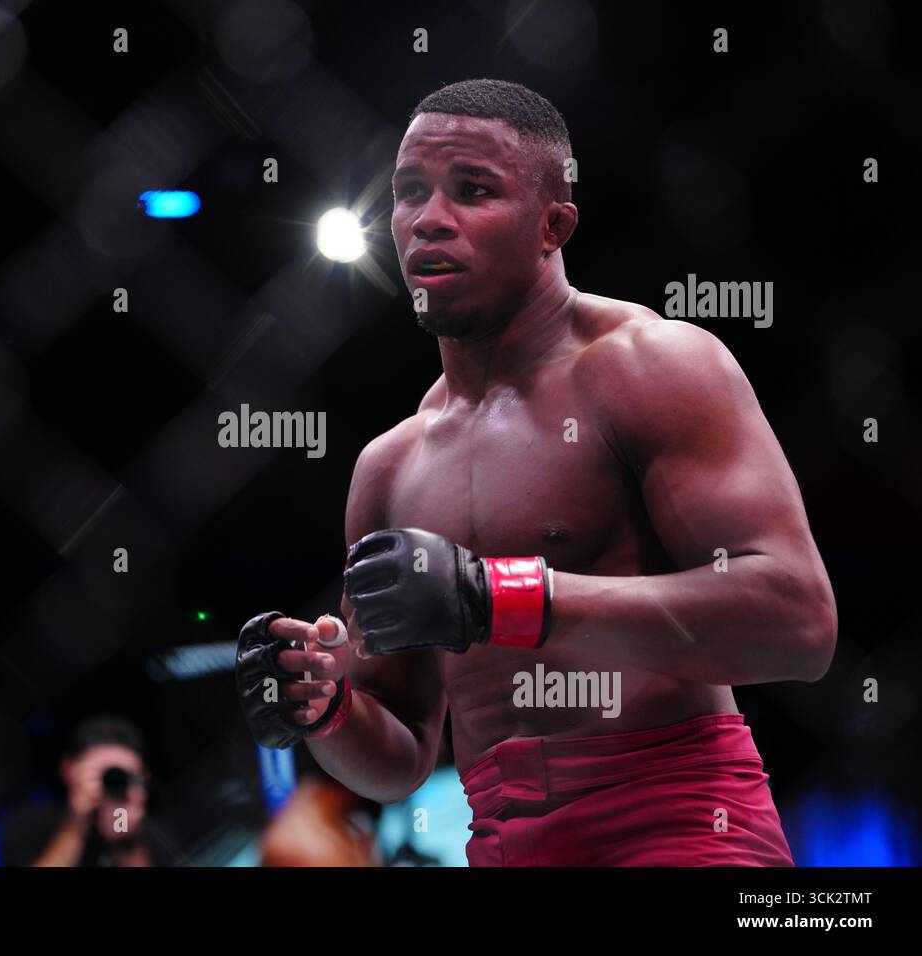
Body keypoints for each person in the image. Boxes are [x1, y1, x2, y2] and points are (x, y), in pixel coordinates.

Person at [236, 79, 837, 866]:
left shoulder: (650, 365)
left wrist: (501, 597)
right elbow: (403, 754)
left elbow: (799, 624)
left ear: (553, 225)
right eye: (409, 192)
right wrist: (324, 709)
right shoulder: (391, 465)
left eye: (473, 190)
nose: (429, 219)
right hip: (501, 844)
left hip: (680, 826)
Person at [27, 715, 165, 867]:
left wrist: (123, 837)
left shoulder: (150, 831)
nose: (114, 783)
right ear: (69, 769)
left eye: (125, 777)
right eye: (108, 774)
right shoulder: (35, 825)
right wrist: (75, 826)